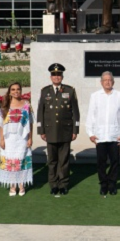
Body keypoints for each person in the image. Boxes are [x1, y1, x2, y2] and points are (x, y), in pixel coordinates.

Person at [36, 63, 80, 195]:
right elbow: (40, 112)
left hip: (65, 131)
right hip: (50, 131)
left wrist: (75, 130)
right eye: (54, 75)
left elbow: (75, 112)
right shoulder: (45, 91)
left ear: (62, 76)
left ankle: (64, 184)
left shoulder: (70, 90)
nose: (56, 77)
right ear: (51, 77)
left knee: (64, 160)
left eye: (59, 75)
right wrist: (41, 130)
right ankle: (53, 184)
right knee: (52, 160)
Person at [86, 71, 120, 196]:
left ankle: (112, 183)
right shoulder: (95, 96)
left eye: (109, 80)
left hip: (115, 135)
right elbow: (91, 115)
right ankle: (103, 184)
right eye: (105, 80)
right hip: (100, 135)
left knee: (115, 161)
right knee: (101, 162)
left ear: (113, 81)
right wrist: (90, 133)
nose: (107, 82)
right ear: (101, 82)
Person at [0, 82, 34, 196]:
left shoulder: (27, 105)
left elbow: (31, 123)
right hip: (9, 138)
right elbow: (0, 124)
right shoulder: (5, 105)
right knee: (11, 160)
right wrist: (2, 139)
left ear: (21, 91)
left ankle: (21, 184)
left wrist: (30, 138)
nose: (16, 91)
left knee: (22, 160)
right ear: (9, 91)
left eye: (18, 89)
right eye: (13, 89)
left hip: (22, 138)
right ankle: (13, 185)